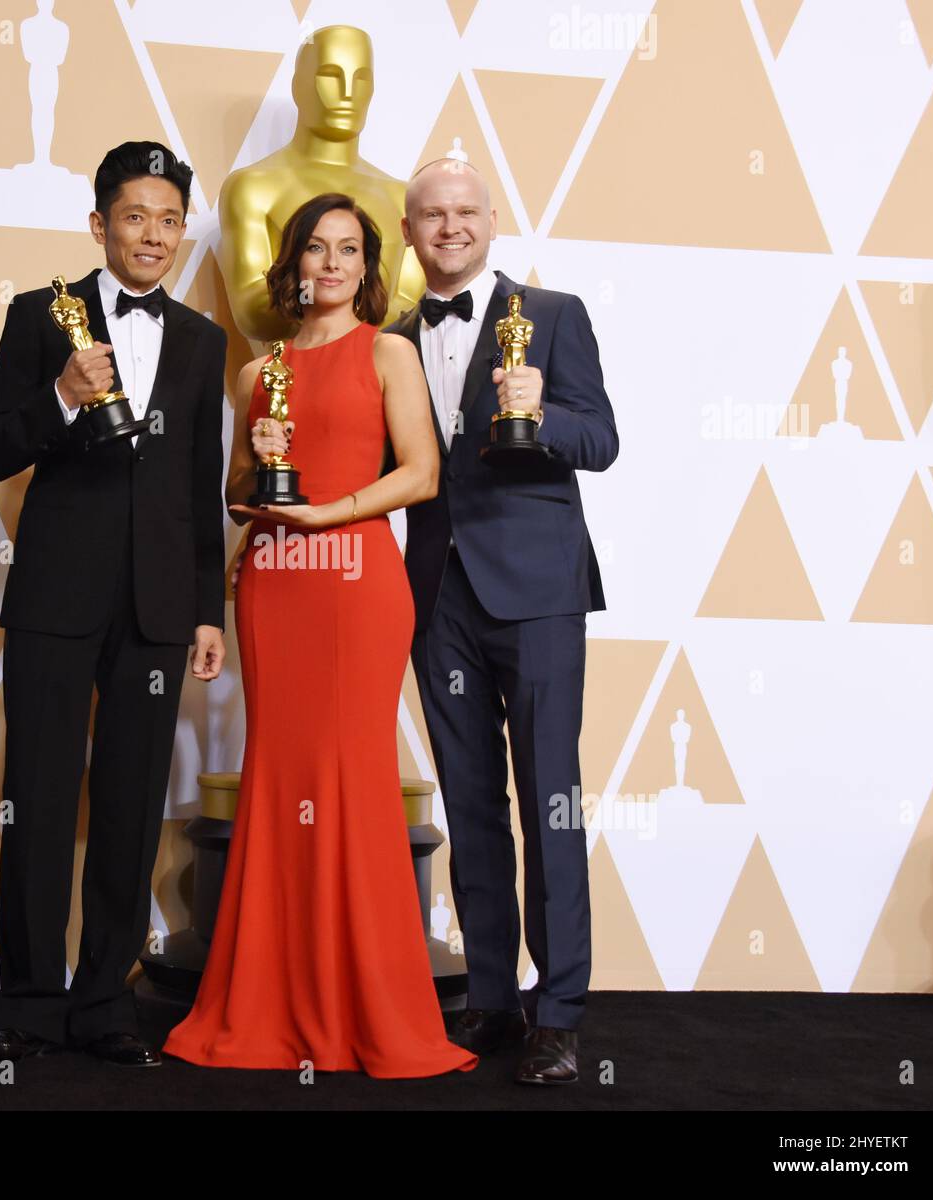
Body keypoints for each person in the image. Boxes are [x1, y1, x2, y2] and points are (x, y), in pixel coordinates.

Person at [162, 192, 477, 1078]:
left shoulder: (389, 353)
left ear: (367, 268)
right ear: (292, 262)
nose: (331, 264)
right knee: (281, 778)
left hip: (357, 588)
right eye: (316, 249)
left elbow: (421, 474)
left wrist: (331, 512)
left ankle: (364, 1004)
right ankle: (270, 998)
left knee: (352, 779)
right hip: (274, 592)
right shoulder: (254, 375)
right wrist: (262, 465)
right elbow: (234, 494)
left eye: (347, 250)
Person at [0, 141, 228, 1069]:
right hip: (54, 597)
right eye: (132, 217)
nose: (150, 235)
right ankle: (29, 1007)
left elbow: (198, 487)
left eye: (166, 219)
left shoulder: (201, 338)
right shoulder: (41, 317)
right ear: (99, 223)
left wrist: (207, 612)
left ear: (181, 230)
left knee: (130, 803)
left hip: (157, 609)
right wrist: (64, 401)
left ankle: (106, 1002)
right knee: (33, 799)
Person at [387, 158, 618, 1084]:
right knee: (471, 803)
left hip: (538, 596)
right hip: (437, 597)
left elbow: (601, 439)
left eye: (465, 212)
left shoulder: (552, 314)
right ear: (408, 231)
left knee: (550, 799)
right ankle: (490, 999)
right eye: (431, 215)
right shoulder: (394, 339)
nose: (450, 227)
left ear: (493, 219)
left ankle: (558, 1014)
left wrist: (545, 415)